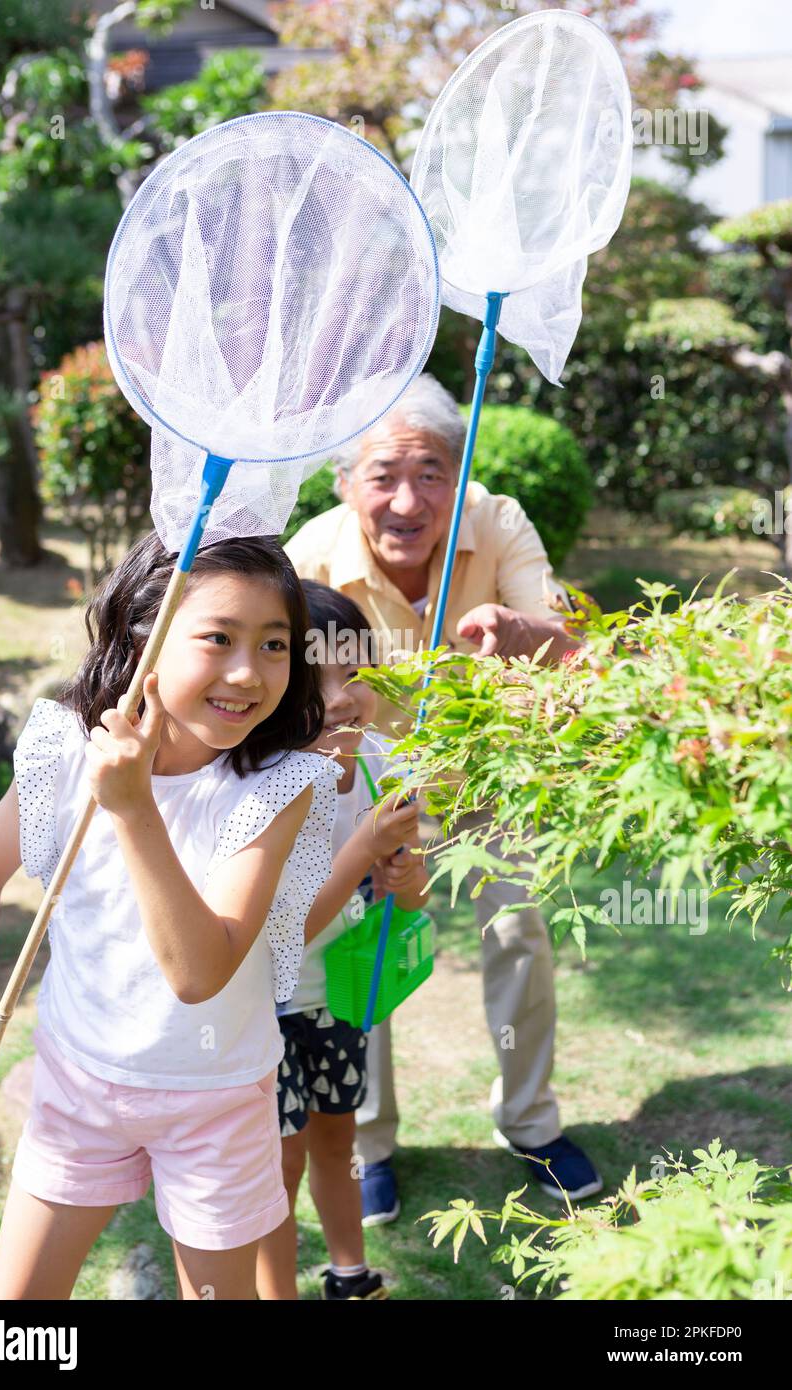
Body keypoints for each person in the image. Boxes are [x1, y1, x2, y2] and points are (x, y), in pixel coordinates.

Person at [0, 533, 343, 1301]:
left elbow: (201, 972)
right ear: (141, 636)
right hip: (77, 1084)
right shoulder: (64, 751)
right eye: (218, 637)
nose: (249, 672)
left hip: (216, 1098)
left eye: (275, 644)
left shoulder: (279, 787)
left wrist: (132, 808)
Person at [284, 372, 603, 1218]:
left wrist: (522, 633)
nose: (407, 499)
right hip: (371, 789)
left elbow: (567, 640)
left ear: (459, 477)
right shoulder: (310, 558)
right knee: (370, 950)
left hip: (490, 773)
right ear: (347, 482)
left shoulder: (496, 523)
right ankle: (371, 1139)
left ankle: (530, 1123)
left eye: (432, 473)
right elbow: (288, 697)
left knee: (521, 929)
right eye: (383, 475)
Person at [257, 581, 427, 1301]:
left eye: (355, 671)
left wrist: (406, 870)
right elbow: (283, 929)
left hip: (340, 1000)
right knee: (279, 1163)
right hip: (264, 1009)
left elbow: (411, 895)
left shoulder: (385, 764)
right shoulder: (264, 783)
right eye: (317, 679)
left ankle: (349, 1274)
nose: (343, 697)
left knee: (337, 1140)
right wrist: (363, 849)